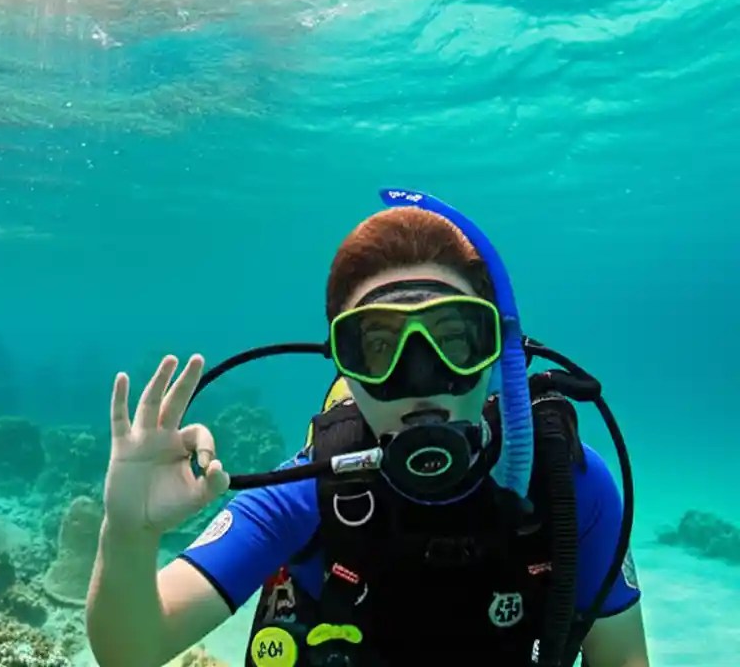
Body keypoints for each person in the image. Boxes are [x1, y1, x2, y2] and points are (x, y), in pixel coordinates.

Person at [86, 197, 649, 667]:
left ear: (496, 354)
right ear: (346, 370)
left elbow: (622, 659)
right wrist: (129, 534)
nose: (421, 382)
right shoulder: (308, 488)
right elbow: (132, 651)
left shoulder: (567, 486)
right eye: (380, 348)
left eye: (452, 340)